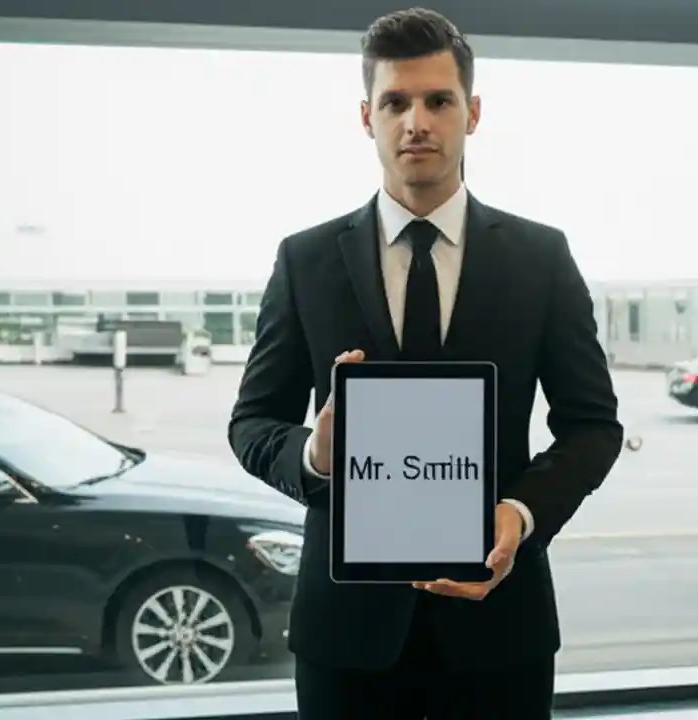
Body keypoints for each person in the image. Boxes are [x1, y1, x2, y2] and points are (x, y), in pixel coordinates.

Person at [227, 7, 622, 718]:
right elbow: (253, 423)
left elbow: (594, 426)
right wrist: (314, 455)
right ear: (366, 116)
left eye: (438, 101)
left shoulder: (542, 258)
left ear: (471, 113)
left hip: (501, 627)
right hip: (346, 636)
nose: (417, 121)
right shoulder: (306, 260)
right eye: (396, 102)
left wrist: (522, 513)